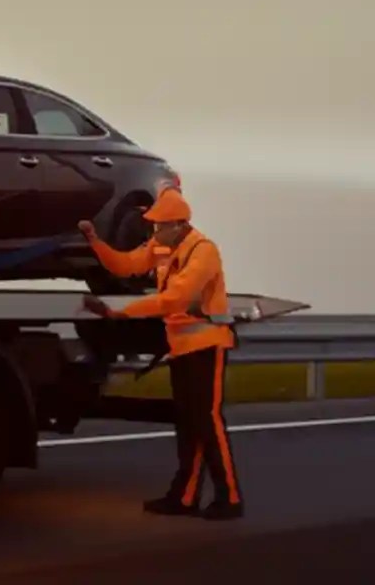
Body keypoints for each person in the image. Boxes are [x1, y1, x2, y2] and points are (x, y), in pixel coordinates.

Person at [77, 187, 244, 521]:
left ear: (178, 224)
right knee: (188, 423)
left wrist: (122, 313)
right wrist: (95, 241)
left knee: (206, 422)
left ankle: (230, 498)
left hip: (207, 345)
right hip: (181, 347)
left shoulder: (203, 251)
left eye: (159, 226)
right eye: (152, 226)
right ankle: (183, 497)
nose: (153, 232)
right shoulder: (163, 246)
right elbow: (126, 266)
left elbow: (175, 300)